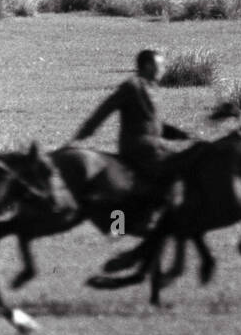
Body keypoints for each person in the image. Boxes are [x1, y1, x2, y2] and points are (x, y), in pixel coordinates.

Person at [71, 49, 191, 222]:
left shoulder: (151, 88)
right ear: (149, 66)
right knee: (173, 170)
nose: (163, 69)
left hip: (152, 144)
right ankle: (138, 220)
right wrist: (85, 132)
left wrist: (180, 134)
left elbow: (152, 123)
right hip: (138, 146)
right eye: (160, 65)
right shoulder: (131, 86)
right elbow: (105, 109)